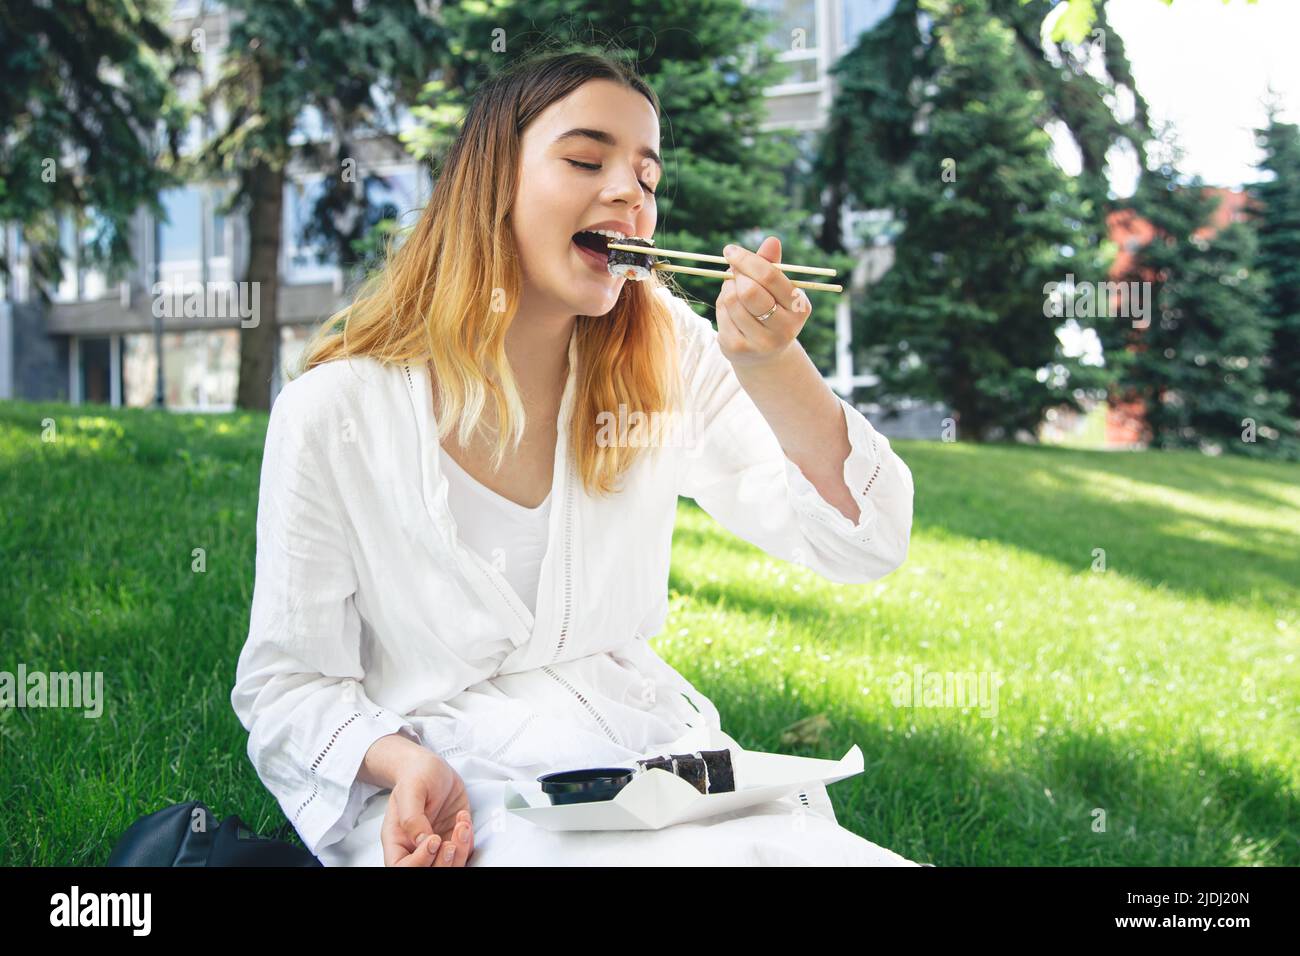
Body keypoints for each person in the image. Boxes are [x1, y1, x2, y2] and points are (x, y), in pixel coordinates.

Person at [231, 50, 918, 867]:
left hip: (661, 769)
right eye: (587, 160)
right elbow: (288, 688)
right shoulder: (335, 412)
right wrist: (396, 760)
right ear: (494, 185)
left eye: (648, 178)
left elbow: (864, 541)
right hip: (474, 794)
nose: (631, 193)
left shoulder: (666, 353)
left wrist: (775, 367)